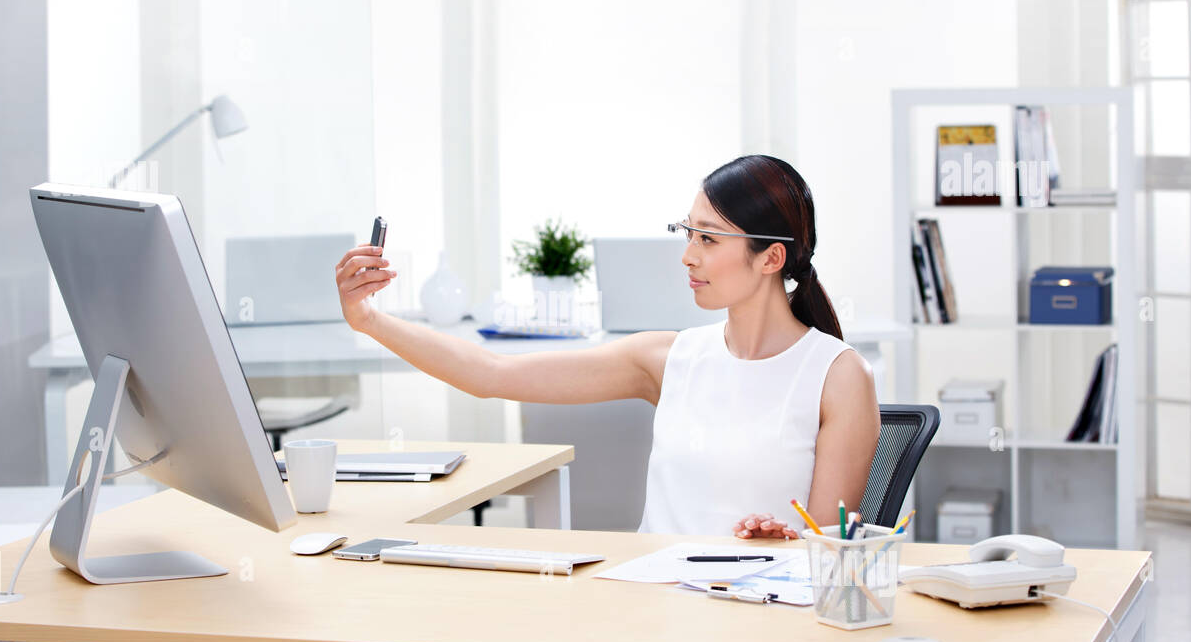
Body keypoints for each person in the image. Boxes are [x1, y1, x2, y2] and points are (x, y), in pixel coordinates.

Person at [334, 155, 879, 539]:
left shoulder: (837, 376)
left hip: (760, 621)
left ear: (771, 258)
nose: (687, 256)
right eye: (687, 233)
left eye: (708, 239)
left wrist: (788, 543)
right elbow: (492, 373)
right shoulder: (668, 360)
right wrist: (370, 320)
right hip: (656, 606)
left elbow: (829, 551)